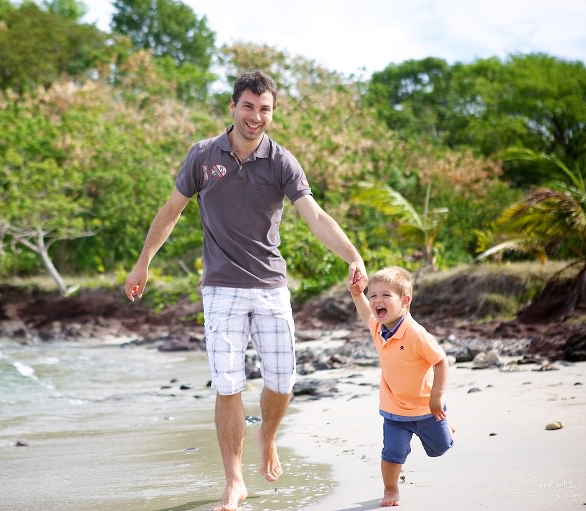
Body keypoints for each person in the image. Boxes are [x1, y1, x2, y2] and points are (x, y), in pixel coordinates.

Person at [124, 70, 367, 511]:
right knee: (228, 385)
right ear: (233, 107)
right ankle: (234, 481)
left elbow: (315, 216)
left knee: (282, 381)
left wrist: (353, 256)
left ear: (272, 112)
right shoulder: (202, 156)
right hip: (220, 288)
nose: (256, 117)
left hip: (271, 285)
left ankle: (267, 436)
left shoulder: (281, 162)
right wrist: (144, 261)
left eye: (265, 109)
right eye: (249, 107)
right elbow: (171, 211)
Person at [348, 266, 454, 507]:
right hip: (394, 408)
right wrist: (357, 294)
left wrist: (437, 396)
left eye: (386, 295)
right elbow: (366, 315)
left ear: (405, 301)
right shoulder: (378, 328)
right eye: (373, 295)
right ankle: (391, 489)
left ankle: (445, 422)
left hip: (426, 407)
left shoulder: (415, 333)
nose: (377, 300)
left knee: (439, 449)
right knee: (393, 454)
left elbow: (440, 360)